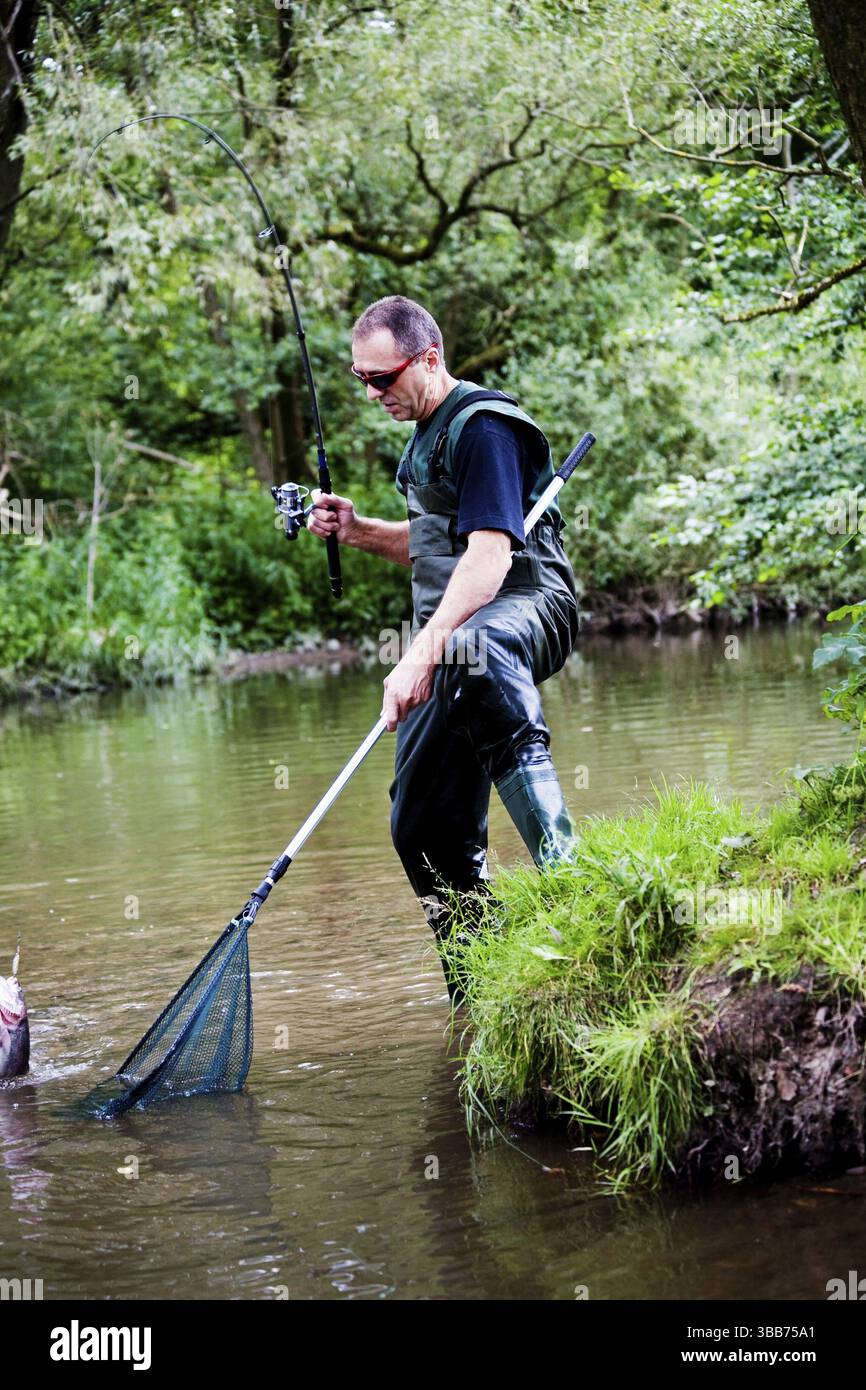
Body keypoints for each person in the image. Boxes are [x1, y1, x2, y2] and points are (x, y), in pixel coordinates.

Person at [309, 295, 579, 1001]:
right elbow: (436, 551)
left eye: (382, 378)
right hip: (453, 640)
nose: (373, 394)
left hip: (525, 609)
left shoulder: (483, 427)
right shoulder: (421, 442)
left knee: (477, 650)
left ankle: (571, 874)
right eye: (360, 378)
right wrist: (356, 529)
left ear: (429, 358)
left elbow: (488, 560)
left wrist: (417, 653)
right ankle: (486, 986)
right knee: (418, 823)